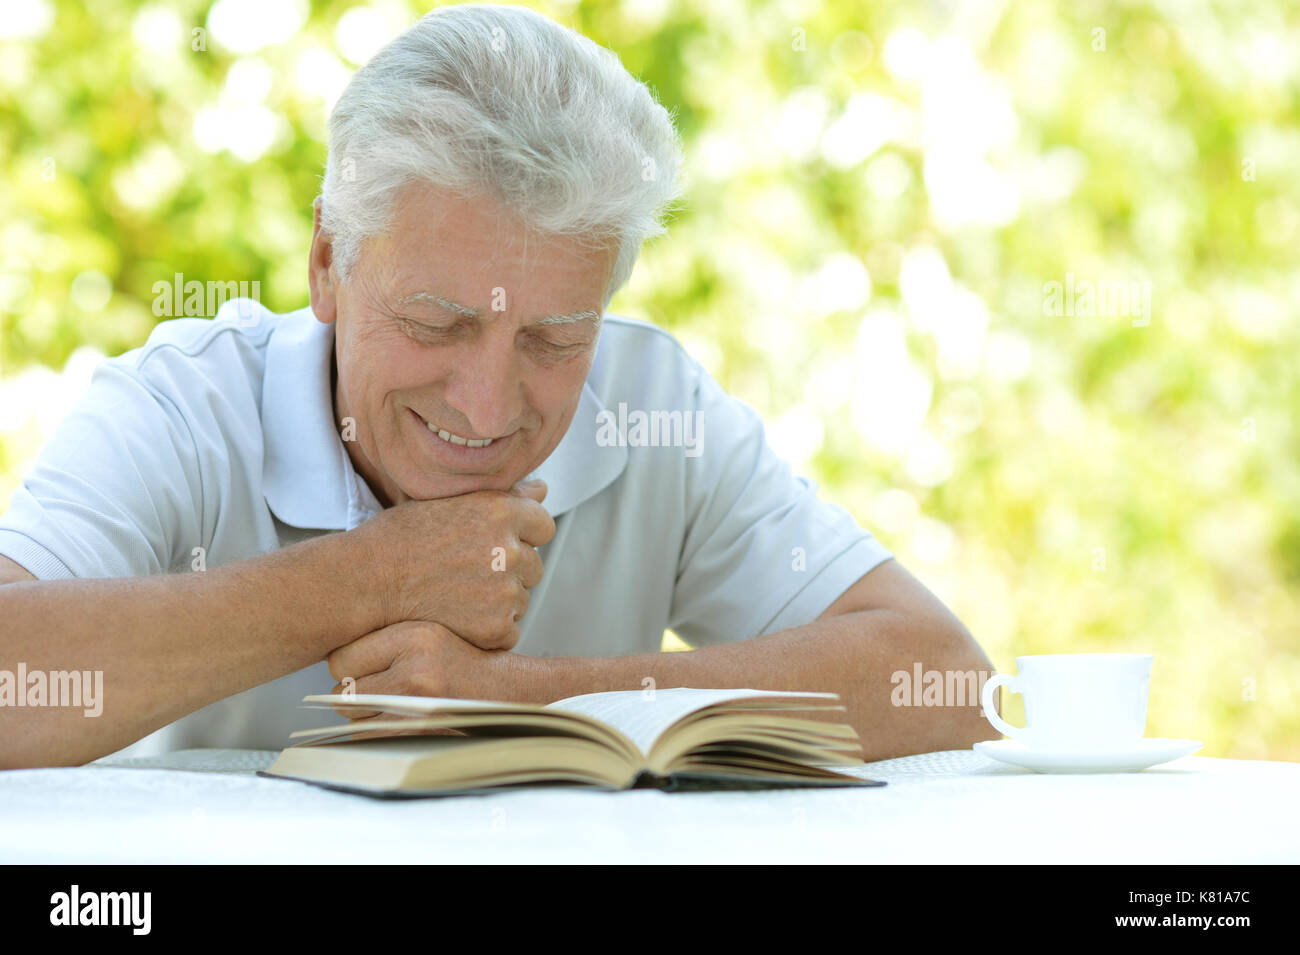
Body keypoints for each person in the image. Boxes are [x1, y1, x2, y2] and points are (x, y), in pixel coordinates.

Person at [0, 4, 996, 768]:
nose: (486, 406)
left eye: (555, 338)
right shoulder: (183, 408)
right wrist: (373, 577)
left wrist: (532, 697)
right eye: (438, 322)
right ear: (325, 263)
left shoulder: (654, 407)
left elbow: (942, 685)